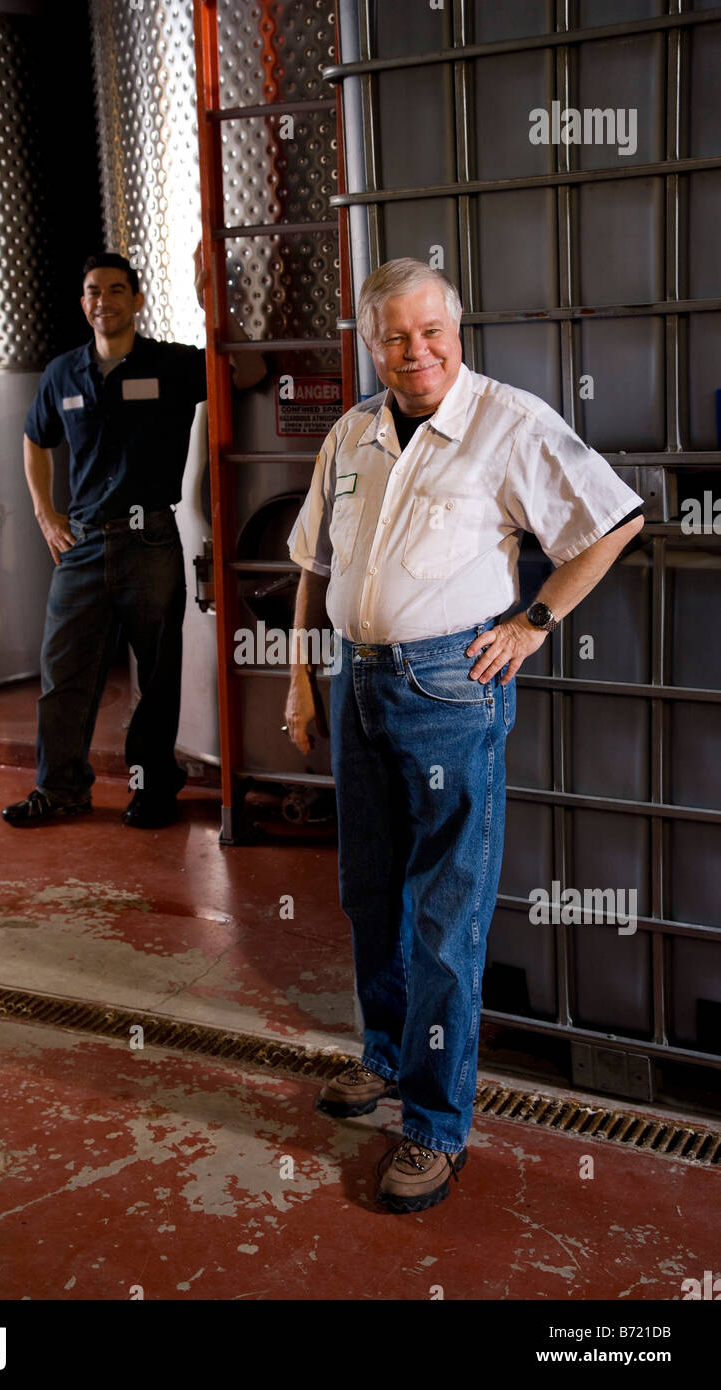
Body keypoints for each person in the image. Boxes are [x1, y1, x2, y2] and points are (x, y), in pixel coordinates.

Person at [285, 257, 644, 1213]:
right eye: (395, 337)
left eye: (431, 332)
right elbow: (313, 565)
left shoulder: (507, 421)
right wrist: (299, 683)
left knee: (446, 918)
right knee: (370, 893)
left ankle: (436, 1130)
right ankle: (387, 1058)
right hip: (355, 681)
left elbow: (613, 519)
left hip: (450, 690)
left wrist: (533, 622)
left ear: (457, 329)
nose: (416, 353)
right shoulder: (353, 431)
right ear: (372, 343)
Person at [3, 248, 265, 829]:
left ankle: (152, 788)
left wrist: (212, 300)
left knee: (157, 672)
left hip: (149, 543)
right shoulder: (61, 375)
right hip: (83, 545)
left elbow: (247, 372)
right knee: (63, 673)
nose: (104, 301)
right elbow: (34, 438)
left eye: (116, 290)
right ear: (84, 303)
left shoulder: (170, 365)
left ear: (137, 300)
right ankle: (61, 788)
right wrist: (47, 516)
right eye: (94, 291)